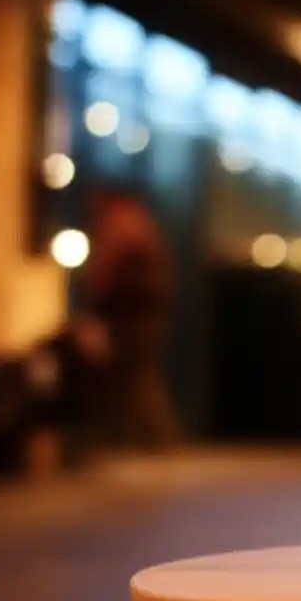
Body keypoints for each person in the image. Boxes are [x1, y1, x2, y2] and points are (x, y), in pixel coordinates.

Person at [83, 188, 182, 449]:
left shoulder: (126, 231)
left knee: (137, 380)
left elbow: (111, 281)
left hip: (132, 318)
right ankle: (148, 439)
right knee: (136, 379)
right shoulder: (137, 229)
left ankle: (154, 439)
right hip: (138, 316)